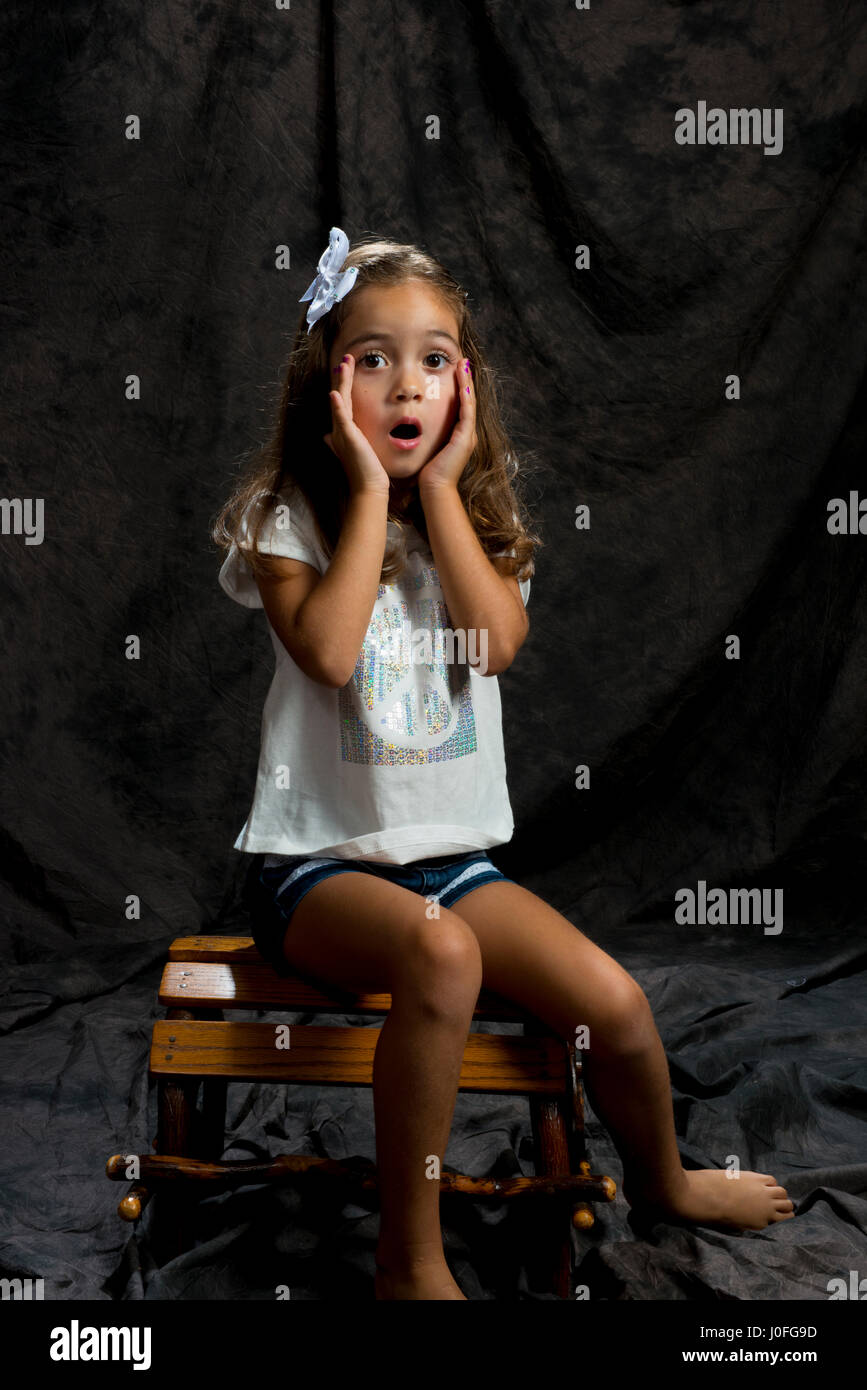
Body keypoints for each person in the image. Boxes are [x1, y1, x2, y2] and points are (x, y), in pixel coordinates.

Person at [212, 228, 794, 1301]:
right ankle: (409, 1258)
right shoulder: (288, 520)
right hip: (317, 873)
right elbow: (334, 653)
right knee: (439, 959)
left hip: (455, 870)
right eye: (374, 355)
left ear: (461, 388)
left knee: (614, 1006)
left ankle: (663, 1180)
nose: (406, 380)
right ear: (328, 379)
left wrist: (438, 492)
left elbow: (495, 644)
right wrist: (372, 494)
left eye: (435, 358)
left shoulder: (472, 522)